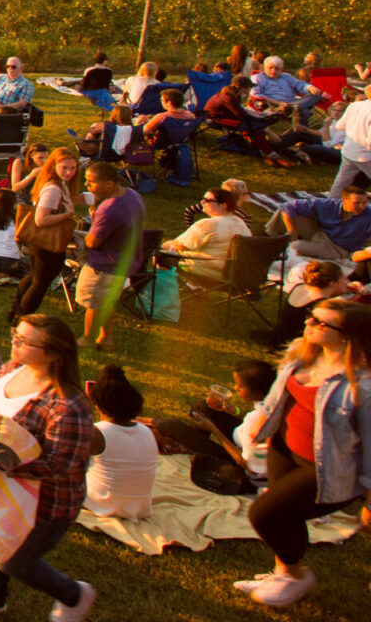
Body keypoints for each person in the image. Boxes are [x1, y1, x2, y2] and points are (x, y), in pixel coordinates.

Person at [0, 314, 95, 621]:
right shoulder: (12, 369)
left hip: (48, 501)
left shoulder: (68, 407)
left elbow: (58, 465)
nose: (14, 341)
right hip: (1, 481)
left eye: (25, 341)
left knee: (12, 561)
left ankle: (74, 595)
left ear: (52, 354)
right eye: (16, 334)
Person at [232, 299, 371, 606]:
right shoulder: (302, 353)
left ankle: (297, 576)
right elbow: (279, 394)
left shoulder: (362, 384)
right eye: (312, 317)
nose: (309, 323)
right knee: (283, 515)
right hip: (284, 447)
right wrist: (264, 423)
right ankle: (282, 572)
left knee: (265, 514)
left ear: (347, 336)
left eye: (321, 323)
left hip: (325, 468)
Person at [149, 359, 276, 496]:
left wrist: (213, 429)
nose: (236, 388)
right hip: (241, 440)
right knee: (204, 407)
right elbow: (253, 423)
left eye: (240, 387)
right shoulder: (273, 407)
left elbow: (248, 465)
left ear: (257, 393)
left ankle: (147, 420)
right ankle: (196, 445)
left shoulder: (255, 419)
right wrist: (234, 412)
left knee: (172, 426)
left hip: (238, 463)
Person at [10, 147, 82, 325]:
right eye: (64, 168)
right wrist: (68, 214)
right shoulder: (53, 188)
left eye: (73, 168)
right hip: (47, 242)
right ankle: (21, 319)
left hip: (39, 241)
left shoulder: (54, 183)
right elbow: (41, 219)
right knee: (40, 284)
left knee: (34, 277)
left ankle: (14, 312)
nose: (69, 172)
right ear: (54, 166)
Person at [77, 162, 144, 349]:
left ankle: (88, 338)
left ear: (109, 184)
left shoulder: (110, 208)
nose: (87, 185)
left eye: (91, 182)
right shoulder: (133, 195)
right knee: (106, 300)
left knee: (93, 302)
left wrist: (94, 217)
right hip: (125, 260)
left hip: (105, 263)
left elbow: (92, 242)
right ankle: (106, 339)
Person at [83, 364, 154, 521]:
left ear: (98, 405)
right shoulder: (146, 431)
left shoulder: (97, 432)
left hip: (103, 503)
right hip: (139, 506)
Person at [165, 187, 251, 285]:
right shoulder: (241, 223)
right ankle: (193, 288)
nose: (202, 202)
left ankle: (164, 292)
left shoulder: (208, 224)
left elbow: (178, 245)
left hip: (209, 273)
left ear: (223, 205)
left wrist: (156, 246)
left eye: (207, 200)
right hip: (235, 275)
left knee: (163, 255)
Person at [268, 184, 371, 264]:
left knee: (295, 247)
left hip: (337, 248)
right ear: (344, 200)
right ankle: (269, 236)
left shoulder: (368, 214)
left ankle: (280, 246)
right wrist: (291, 229)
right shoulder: (330, 205)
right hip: (320, 232)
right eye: (357, 203)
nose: (362, 206)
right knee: (285, 212)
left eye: (365, 202)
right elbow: (288, 206)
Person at [253, 55, 323, 126]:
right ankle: (301, 128)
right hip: (276, 106)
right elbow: (256, 95)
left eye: (277, 68)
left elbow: (299, 84)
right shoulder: (257, 78)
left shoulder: (286, 76)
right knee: (303, 110)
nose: (273, 70)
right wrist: (279, 103)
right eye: (270, 67)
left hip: (293, 102)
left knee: (316, 95)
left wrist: (310, 88)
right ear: (265, 67)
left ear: (281, 69)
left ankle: (296, 108)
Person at [328, 83, 371, 197]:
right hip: (365, 155)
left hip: (349, 150)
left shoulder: (354, 106)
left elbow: (340, 126)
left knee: (341, 180)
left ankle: (331, 203)